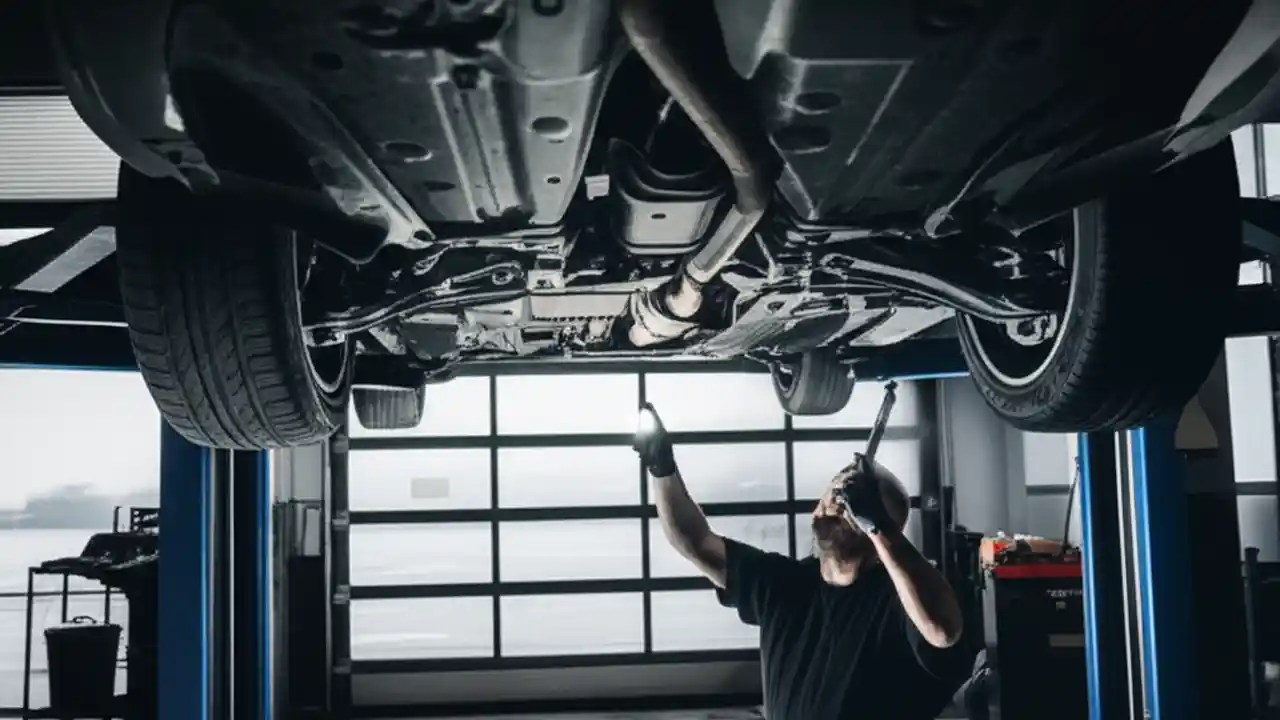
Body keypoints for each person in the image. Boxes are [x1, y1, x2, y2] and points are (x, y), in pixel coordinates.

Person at [634, 403, 975, 719]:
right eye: (835, 492)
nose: (839, 502)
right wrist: (662, 468)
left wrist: (879, 526)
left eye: (858, 503)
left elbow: (943, 632)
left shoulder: (901, 600)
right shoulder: (783, 585)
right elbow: (695, 543)